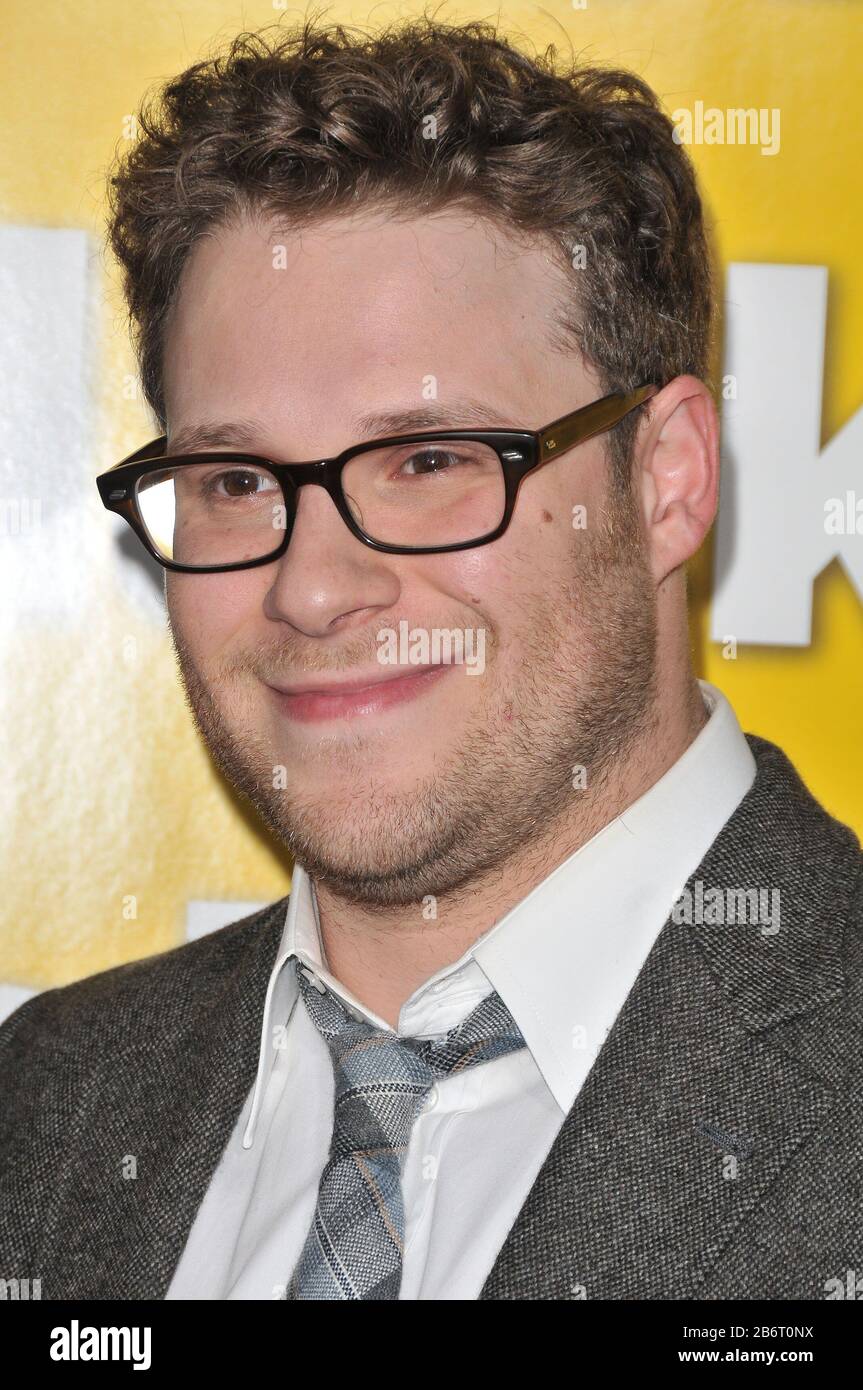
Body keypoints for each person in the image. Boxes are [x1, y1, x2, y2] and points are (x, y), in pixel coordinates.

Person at [1, 16, 860, 1302]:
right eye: (236, 478)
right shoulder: (49, 1100)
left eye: (429, 461)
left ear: (667, 479)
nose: (312, 587)